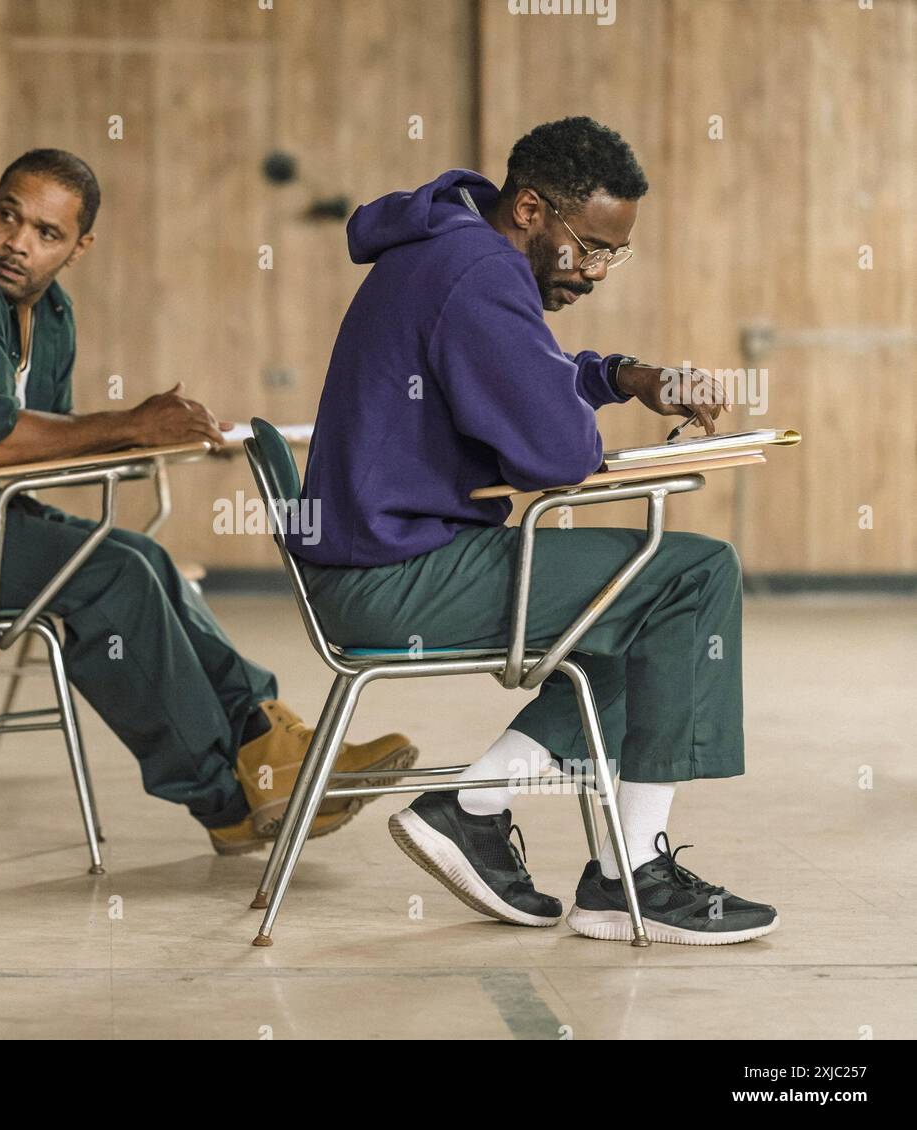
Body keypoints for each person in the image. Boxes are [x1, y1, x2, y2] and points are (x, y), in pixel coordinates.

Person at [0, 148, 415, 855]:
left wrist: (149, 438)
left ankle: (271, 740)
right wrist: (131, 426)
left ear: (78, 248)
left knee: (141, 556)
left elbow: (44, 443)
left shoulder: (48, 312)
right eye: (8, 215)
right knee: (108, 578)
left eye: (46, 233)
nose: (17, 241)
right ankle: (225, 799)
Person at [287, 118, 777, 944]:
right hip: (394, 577)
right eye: (588, 247)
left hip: (377, 559)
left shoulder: (446, 245)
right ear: (527, 209)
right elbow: (557, 451)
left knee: (637, 605)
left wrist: (623, 376)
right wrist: (578, 414)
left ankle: (478, 807)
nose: (593, 273)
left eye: (612, 256)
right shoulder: (476, 274)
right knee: (694, 576)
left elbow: (523, 379)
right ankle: (629, 873)